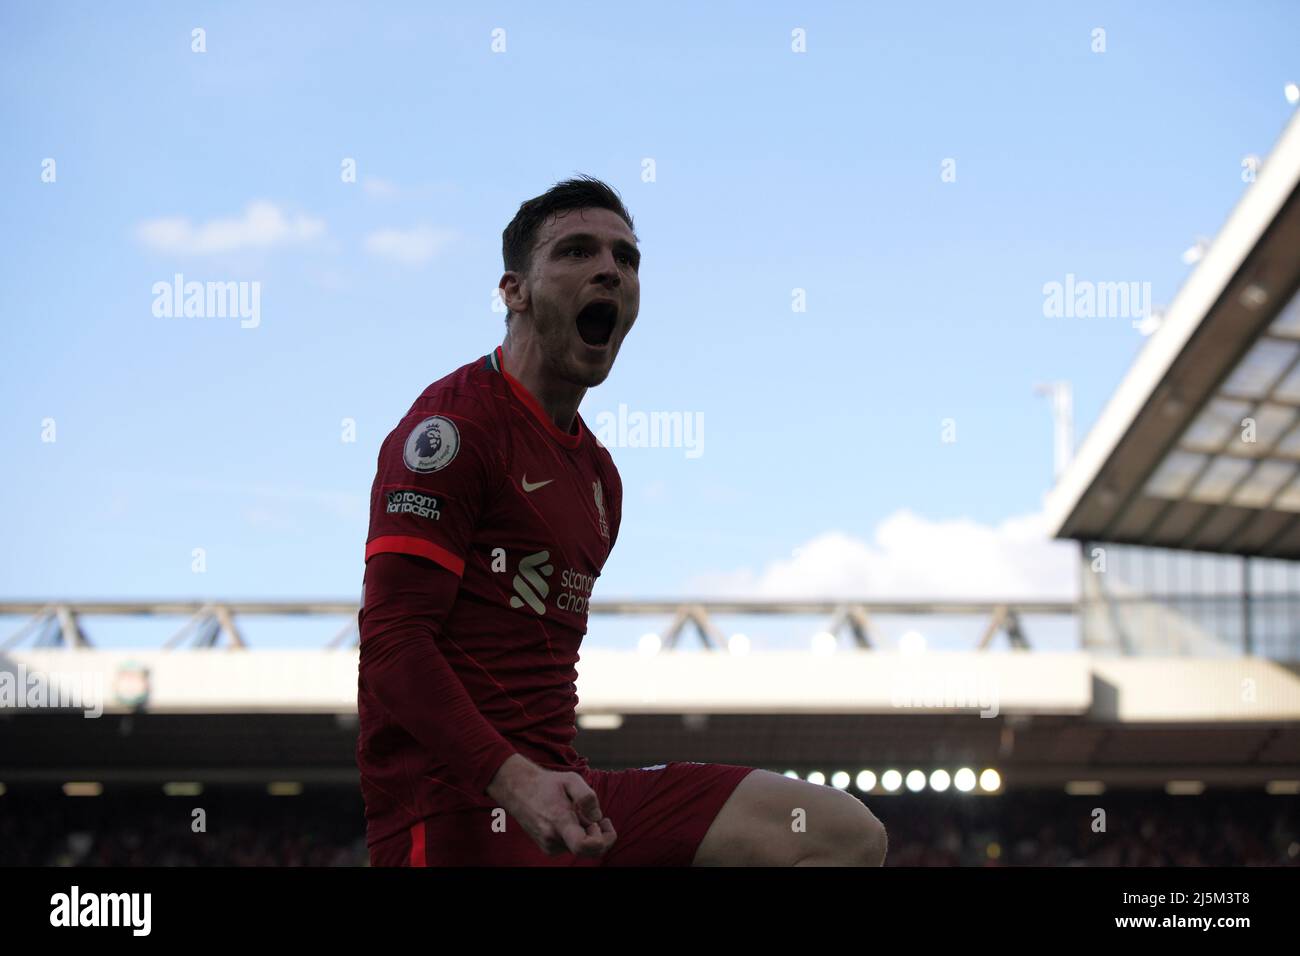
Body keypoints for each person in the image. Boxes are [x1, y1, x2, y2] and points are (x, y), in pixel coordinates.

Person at [357, 175, 886, 866]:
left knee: (842, 836)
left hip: (564, 793)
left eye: (626, 258)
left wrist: (552, 784)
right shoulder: (452, 428)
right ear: (513, 290)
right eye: (576, 252)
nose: (609, 269)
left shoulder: (600, 478)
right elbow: (395, 645)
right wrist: (514, 779)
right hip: (455, 810)